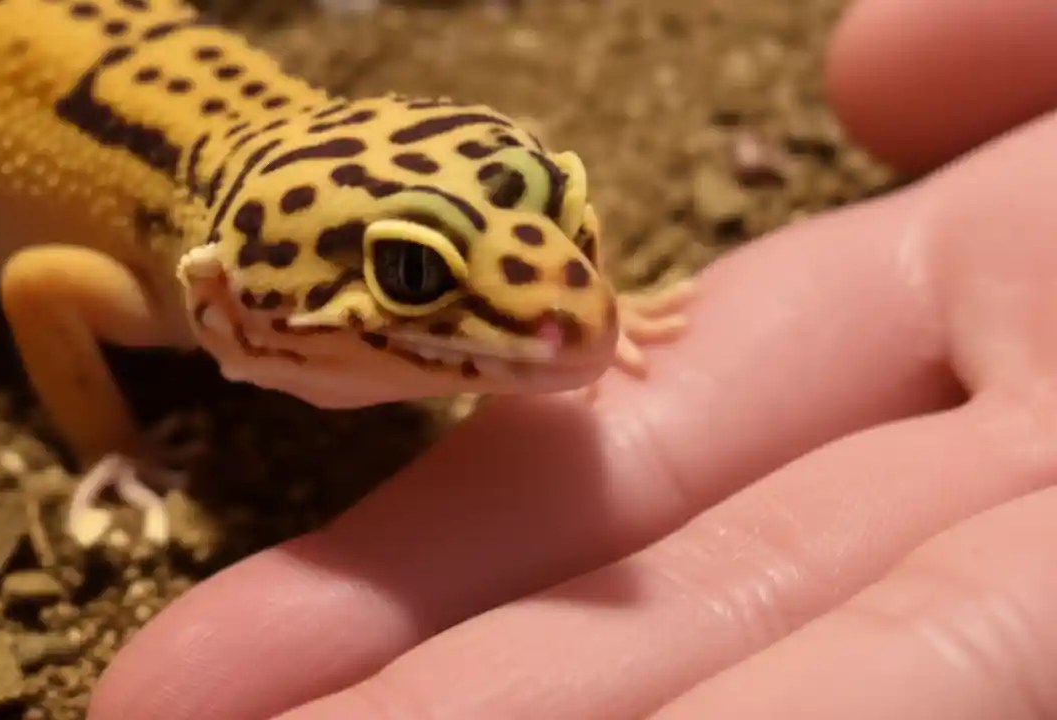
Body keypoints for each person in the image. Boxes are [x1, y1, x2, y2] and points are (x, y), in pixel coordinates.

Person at [89, 0, 1057, 716]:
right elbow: (38, 286)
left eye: (570, 233)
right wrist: (113, 444)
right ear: (224, 287)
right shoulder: (147, 291)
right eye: (413, 276)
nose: (574, 321)